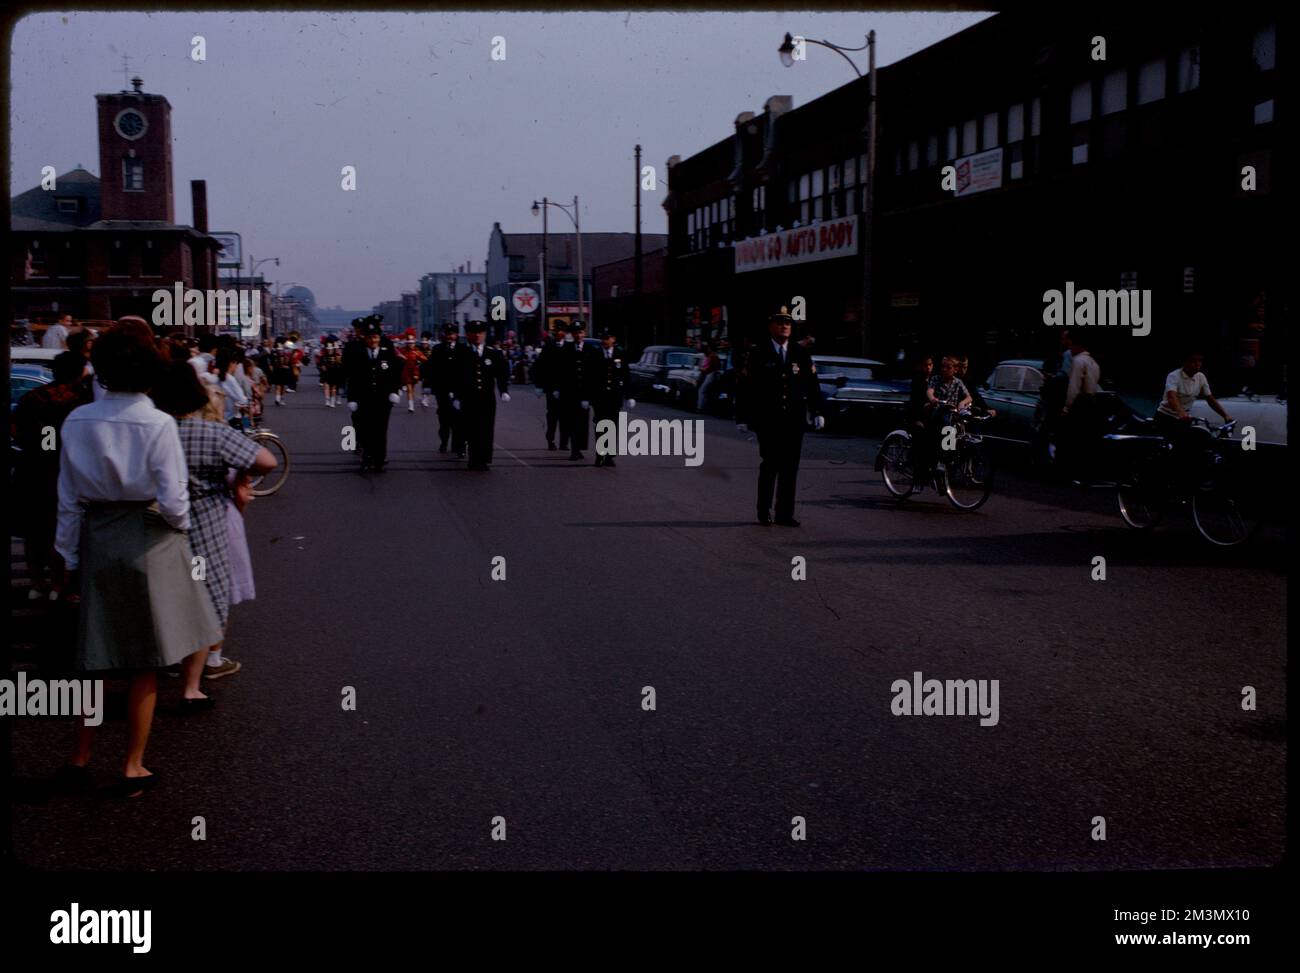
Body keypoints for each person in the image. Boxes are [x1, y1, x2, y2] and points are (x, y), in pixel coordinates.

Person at [54, 321, 225, 797]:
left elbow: (67, 497)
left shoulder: (77, 420)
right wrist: (179, 528)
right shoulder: (158, 423)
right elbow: (174, 499)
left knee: (95, 656)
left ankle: (80, 756)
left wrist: (67, 554)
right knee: (143, 661)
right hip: (149, 535)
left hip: (96, 533)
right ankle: (132, 766)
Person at [150, 362, 277, 694]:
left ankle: (163, 660)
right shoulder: (211, 432)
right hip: (204, 527)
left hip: (154, 527)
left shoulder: (149, 430)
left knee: (163, 595)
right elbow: (267, 460)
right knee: (203, 596)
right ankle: (192, 686)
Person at [11, 351, 93, 600]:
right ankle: (60, 584)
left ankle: (37, 583)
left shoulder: (33, 398)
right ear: (79, 373)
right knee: (62, 529)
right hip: (63, 471)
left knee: (35, 531)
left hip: (33, 470)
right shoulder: (79, 401)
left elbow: (18, 431)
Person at [735, 307, 826, 526]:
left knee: (790, 467)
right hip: (768, 419)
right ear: (770, 326)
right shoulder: (758, 353)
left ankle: (785, 513)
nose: (784, 326)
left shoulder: (800, 353)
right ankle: (764, 510)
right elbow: (746, 387)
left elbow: (812, 385)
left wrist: (818, 411)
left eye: (788, 323)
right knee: (770, 464)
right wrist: (742, 417)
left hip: (793, 420)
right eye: (779, 322)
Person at [1155, 350, 1234, 476]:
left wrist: (1225, 415)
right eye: (1193, 361)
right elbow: (1172, 397)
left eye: (1200, 361)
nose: (1197, 364)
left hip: (1184, 419)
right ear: (1185, 362)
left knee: (1194, 445)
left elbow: (1210, 398)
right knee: (1173, 450)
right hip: (1166, 418)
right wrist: (1180, 412)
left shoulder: (1200, 377)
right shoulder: (1174, 376)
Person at [344, 318, 403, 472]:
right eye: (369, 337)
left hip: (383, 399)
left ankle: (379, 459)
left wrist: (395, 391)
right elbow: (353, 377)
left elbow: (395, 373)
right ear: (365, 338)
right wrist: (351, 398)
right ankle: (367, 458)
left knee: (380, 430)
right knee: (365, 429)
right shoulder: (358, 353)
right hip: (364, 399)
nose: (373, 340)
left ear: (379, 338)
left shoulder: (387, 352)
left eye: (375, 337)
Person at [452, 319, 510, 470]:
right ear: (468, 334)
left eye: (480, 333)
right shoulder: (461, 353)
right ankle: (474, 458)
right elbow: (455, 377)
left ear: (485, 334)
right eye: (474, 333)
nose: (477, 336)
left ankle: (484, 459)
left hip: (486, 398)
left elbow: (502, 373)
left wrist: (504, 390)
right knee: (471, 428)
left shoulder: (493, 353)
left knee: (486, 428)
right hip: (468, 398)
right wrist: (456, 397)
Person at [911, 355, 972, 489]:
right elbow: (930, 391)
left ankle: (946, 462)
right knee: (946, 425)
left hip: (952, 414)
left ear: (955, 369)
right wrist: (933, 399)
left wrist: (962, 403)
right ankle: (941, 462)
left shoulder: (958, 382)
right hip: (937, 413)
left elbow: (968, 397)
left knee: (959, 428)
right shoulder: (935, 379)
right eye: (943, 367)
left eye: (948, 367)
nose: (944, 370)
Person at [587, 328, 635, 467]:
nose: (605, 341)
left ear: (613, 339)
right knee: (601, 425)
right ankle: (600, 454)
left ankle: (610, 455)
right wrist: (587, 396)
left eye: (608, 338)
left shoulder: (620, 353)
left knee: (613, 425)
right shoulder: (595, 353)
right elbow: (589, 377)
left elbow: (626, 375)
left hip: (615, 396)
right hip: (599, 396)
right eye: (603, 338)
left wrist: (629, 395)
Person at [425, 323, 463, 455]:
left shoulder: (463, 349)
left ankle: (458, 446)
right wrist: (428, 385)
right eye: (447, 334)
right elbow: (430, 368)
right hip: (442, 390)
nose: (449, 336)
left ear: (456, 335)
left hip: (459, 390)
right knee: (444, 418)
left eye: (452, 334)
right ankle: (444, 441)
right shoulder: (437, 349)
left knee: (459, 419)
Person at [533, 321, 569, 450]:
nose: (559, 333)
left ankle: (564, 442)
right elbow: (540, 366)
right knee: (552, 416)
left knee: (565, 416)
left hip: (566, 388)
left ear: (565, 333)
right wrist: (539, 386)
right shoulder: (549, 346)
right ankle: (551, 440)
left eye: (562, 331)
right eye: (557, 331)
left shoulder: (569, 347)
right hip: (551, 387)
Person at [560, 321, 592, 461]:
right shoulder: (566, 349)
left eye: (580, 332)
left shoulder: (591, 350)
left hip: (585, 392)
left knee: (583, 422)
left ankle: (580, 448)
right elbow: (562, 372)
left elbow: (594, 373)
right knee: (572, 421)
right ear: (572, 335)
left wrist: (589, 395)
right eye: (575, 333)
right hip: (570, 393)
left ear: (584, 333)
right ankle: (574, 450)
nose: (578, 335)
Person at [399, 331, 426, 414]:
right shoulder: (403, 351)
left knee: (412, 389)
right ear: (407, 343)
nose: (411, 344)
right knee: (409, 389)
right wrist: (401, 357)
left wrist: (419, 360)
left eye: (412, 343)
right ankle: (411, 406)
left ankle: (411, 403)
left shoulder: (417, 352)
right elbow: (396, 356)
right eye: (409, 343)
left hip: (414, 373)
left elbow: (425, 360)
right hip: (406, 372)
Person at [906, 354, 933, 427]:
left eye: (930, 364)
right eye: (925, 365)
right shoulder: (917, 381)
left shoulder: (934, 380)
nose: (928, 367)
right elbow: (916, 402)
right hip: (918, 414)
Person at [318, 336, 345, 408]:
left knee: (334, 387)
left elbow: (340, 361)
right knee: (326, 386)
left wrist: (338, 355)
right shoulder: (324, 351)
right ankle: (327, 400)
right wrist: (322, 365)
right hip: (327, 371)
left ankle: (333, 401)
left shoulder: (337, 350)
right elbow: (321, 360)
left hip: (336, 371)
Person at [695, 343, 722, 412]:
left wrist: (700, 368)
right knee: (706, 391)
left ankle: (700, 407)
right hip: (711, 374)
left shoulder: (712, 356)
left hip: (710, 374)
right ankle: (704, 406)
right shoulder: (713, 356)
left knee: (702, 390)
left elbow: (708, 369)